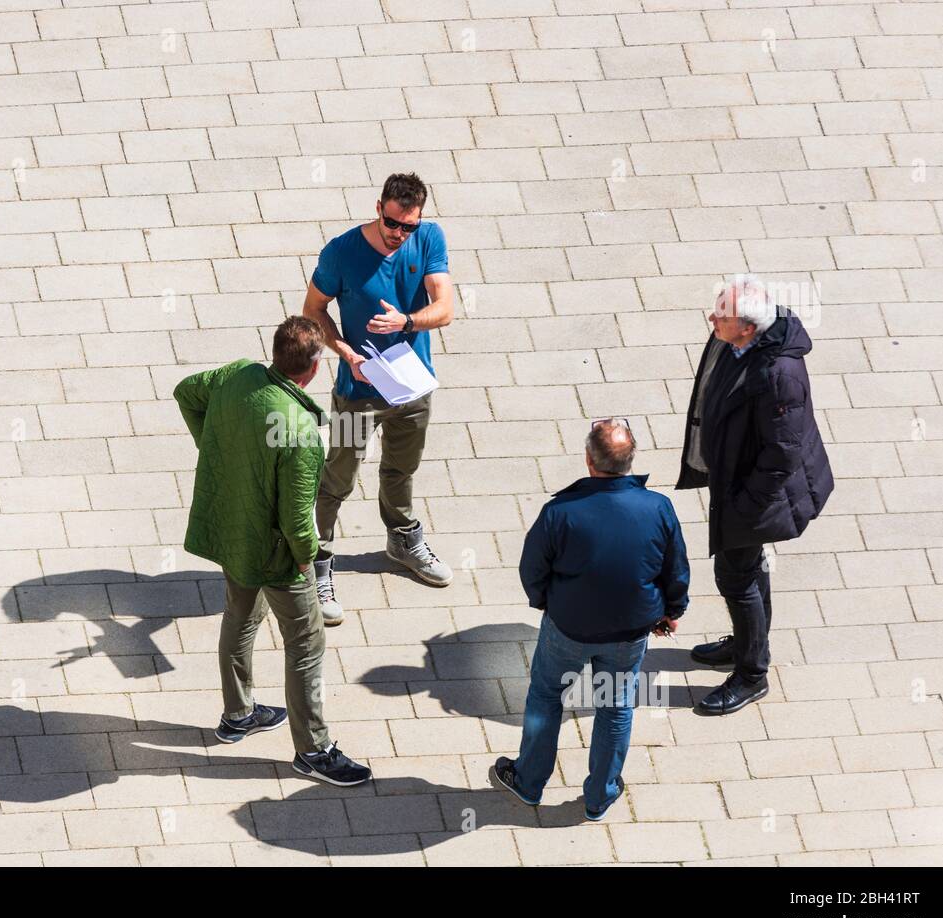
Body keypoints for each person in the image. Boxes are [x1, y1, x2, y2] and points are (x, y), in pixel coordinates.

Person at [173, 316, 372, 787]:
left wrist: (215, 446)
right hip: (274, 552)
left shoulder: (237, 374)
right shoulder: (300, 432)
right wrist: (306, 557)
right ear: (315, 368)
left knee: (240, 617)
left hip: (230, 528)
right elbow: (299, 519)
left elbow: (185, 392)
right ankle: (314, 749)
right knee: (306, 643)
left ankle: (238, 714)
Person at [492, 420, 689, 821]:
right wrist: (673, 610)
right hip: (628, 633)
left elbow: (532, 569)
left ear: (588, 460)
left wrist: (546, 601)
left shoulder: (560, 512)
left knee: (546, 697)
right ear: (631, 462)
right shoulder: (658, 507)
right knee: (615, 707)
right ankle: (600, 795)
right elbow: (676, 568)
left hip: (568, 628)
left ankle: (528, 782)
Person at [302, 171, 455, 626]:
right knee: (337, 476)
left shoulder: (428, 238)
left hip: (411, 387)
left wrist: (406, 323)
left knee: (401, 468)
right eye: (393, 224)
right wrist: (344, 351)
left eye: (409, 225)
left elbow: (445, 308)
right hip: (358, 392)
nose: (399, 234)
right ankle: (317, 558)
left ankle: (402, 537)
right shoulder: (342, 252)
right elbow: (313, 310)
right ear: (378, 208)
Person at [677, 275, 834, 716]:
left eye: (721, 315)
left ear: (748, 327)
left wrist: (745, 506)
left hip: (756, 495)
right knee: (746, 568)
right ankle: (749, 642)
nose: (712, 318)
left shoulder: (778, 374)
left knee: (736, 577)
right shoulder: (738, 342)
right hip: (739, 483)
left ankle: (751, 674)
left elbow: (782, 454)